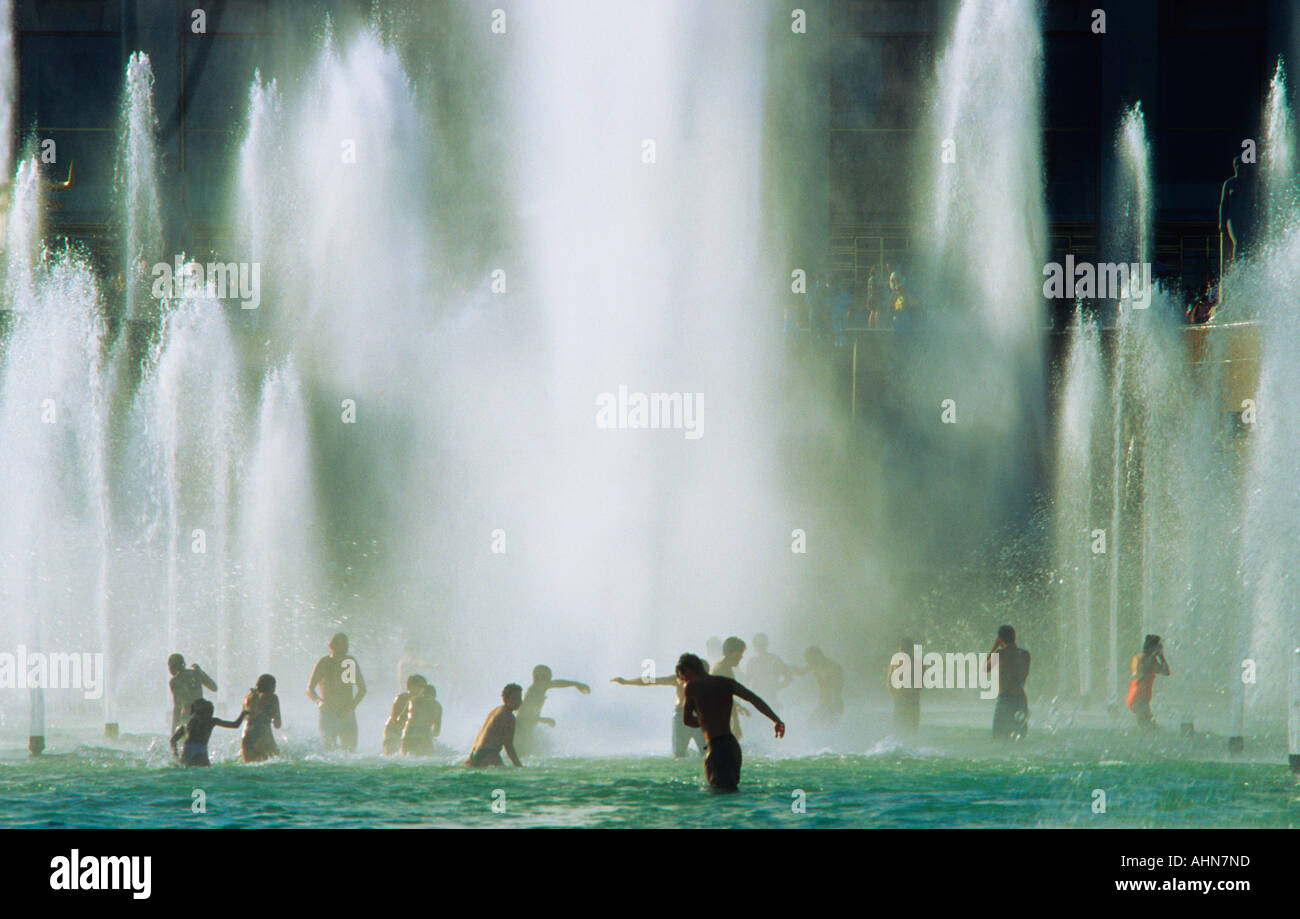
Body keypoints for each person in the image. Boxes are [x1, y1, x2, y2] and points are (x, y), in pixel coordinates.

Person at [677, 653, 784, 791]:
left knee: (718, 796)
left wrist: (706, 721)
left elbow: (687, 720)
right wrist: (776, 720)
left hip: (715, 749)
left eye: (683, 677)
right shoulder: (725, 682)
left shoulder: (692, 688)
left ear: (687, 670)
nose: (684, 681)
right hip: (732, 747)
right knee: (732, 792)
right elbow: (753, 698)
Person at [611, 658, 710, 757]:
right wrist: (626, 682)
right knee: (680, 754)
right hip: (681, 716)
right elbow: (650, 680)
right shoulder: (679, 679)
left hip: (699, 717)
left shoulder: (709, 682)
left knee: (706, 753)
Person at [307, 632, 367, 752]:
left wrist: (351, 708)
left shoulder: (349, 663)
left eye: (346, 645)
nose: (345, 648)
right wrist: (319, 702)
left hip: (347, 712)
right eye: (341, 645)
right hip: (328, 712)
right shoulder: (324, 663)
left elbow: (362, 689)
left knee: (350, 751)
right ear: (331, 646)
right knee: (329, 750)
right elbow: (310, 689)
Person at [514, 665, 591, 755]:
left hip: (524, 729)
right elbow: (524, 716)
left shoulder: (535, 690)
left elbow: (521, 712)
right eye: (548, 676)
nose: (550, 679)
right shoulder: (536, 688)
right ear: (538, 677)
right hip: (521, 730)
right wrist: (576, 684)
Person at [170, 699, 244, 767]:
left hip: (187, 749)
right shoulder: (211, 721)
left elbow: (173, 740)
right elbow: (235, 725)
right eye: (211, 711)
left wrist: (175, 754)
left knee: (185, 769)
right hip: (200, 749)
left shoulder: (189, 723)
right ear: (207, 712)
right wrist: (243, 713)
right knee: (204, 770)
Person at [987, 625, 1030, 740]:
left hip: (1005, 699)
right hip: (1020, 698)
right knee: (1019, 737)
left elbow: (985, 669)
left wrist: (995, 647)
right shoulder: (1025, 655)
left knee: (999, 736)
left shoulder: (1000, 654)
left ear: (1000, 639)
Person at [466, 683, 524, 767]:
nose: (520, 702)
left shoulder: (496, 710)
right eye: (515, 698)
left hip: (473, 754)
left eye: (520, 698)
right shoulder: (509, 717)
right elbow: (508, 746)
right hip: (489, 754)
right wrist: (519, 766)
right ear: (505, 699)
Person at [1126, 634, 1170, 731]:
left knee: (1150, 727)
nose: (1160, 647)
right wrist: (1154, 655)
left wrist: (1161, 657)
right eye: (1158, 646)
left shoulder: (1152, 661)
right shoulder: (1139, 658)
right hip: (1137, 698)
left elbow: (1166, 672)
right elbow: (1139, 675)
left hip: (1144, 698)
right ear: (1152, 647)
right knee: (1147, 728)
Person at [167, 654, 217, 735]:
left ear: (173, 666)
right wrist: (201, 672)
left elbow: (177, 707)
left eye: (169, 666)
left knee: (188, 743)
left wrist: (173, 731)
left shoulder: (175, 681)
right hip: (202, 716)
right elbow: (214, 688)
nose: (169, 669)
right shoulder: (196, 674)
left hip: (187, 717)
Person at [710, 637, 750, 737]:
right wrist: (736, 725)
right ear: (732, 653)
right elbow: (727, 699)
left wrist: (737, 705)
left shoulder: (719, 667)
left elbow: (721, 694)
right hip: (721, 719)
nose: (741, 657)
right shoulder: (724, 670)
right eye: (740, 653)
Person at [745, 634, 795, 709]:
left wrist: (776, 687)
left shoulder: (774, 660)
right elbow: (746, 681)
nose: (760, 647)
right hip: (756, 700)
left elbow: (789, 677)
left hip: (771, 699)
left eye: (762, 644)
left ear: (766, 645)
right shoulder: (752, 662)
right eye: (758, 644)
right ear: (754, 646)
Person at [796, 646, 844, 724]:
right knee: (809, 727)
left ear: (818, 656)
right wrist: (784, 667)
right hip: (823, 703)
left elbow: (836, 692)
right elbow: (800, 672)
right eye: (807, 661)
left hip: (833, 705)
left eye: (809, 660)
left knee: (821, 729)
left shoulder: (833, 668)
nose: (808, 663)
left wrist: (821, 712)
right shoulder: (816, 665)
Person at [242, 674, 282, 763]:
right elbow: (277, 724)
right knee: (274, 762)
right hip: (262, 734)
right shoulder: (272, 698)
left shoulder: (248, 698)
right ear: (271, 686)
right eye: (274, 686)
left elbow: (246, 717)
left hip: (246, 736)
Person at [401, 679, 443, 755]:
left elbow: (401, 719)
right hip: (424, 734)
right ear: (434, 695)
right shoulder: (437, 706)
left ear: (421, 693)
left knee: (405, 760)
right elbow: (437, 732)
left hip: (409, 733)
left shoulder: (412, 700)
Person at [888, 638, 921, 731]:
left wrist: (896, 695)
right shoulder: (896, 662)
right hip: (908, 701)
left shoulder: (896, 662)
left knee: (901, 728)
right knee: (909, 729)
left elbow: (889, 683)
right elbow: (919, 686)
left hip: (904, 700)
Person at [383, 675, 420, 755]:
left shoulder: (418, 701)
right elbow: (394, 716)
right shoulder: (402, 697)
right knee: (391, 754)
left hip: (401, 730)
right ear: (410, 686)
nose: (422, 690)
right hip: (393, 729)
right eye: (420, 686)